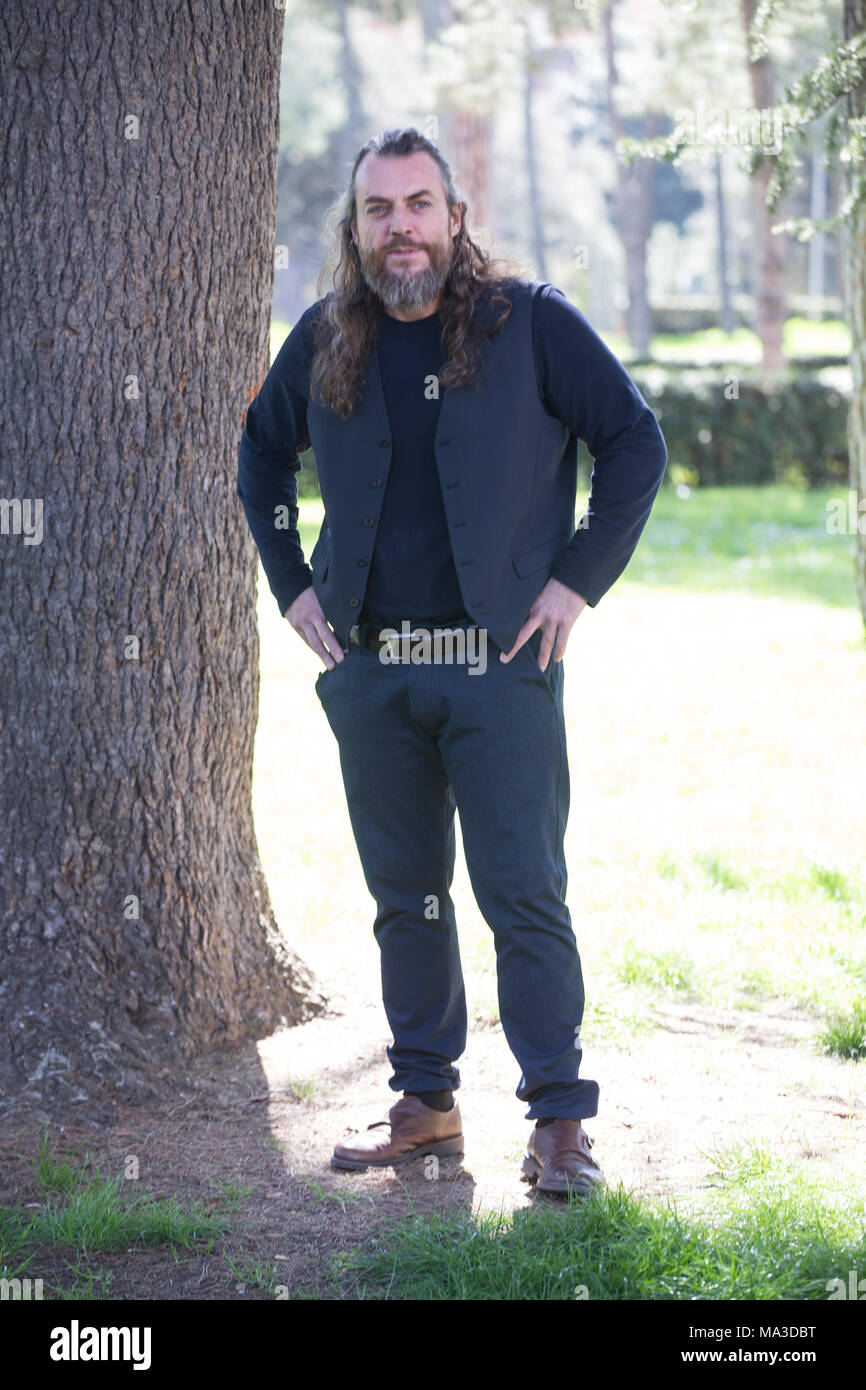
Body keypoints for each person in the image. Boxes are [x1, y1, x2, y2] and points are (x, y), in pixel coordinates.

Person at [237, 127, 667, 1196]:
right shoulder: (328, 333)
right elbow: (260, 449)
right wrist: (291, 580)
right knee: (406, 898)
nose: (400, 229)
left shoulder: (529, 324)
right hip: (372, 669)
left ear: (455, 216)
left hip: (499, 665)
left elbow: (633, 440)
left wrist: (575, 580)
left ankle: (560, 1121)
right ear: (356, 227)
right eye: (378, 210)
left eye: (419, 204)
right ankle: (426, 1106)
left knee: (521, 890)